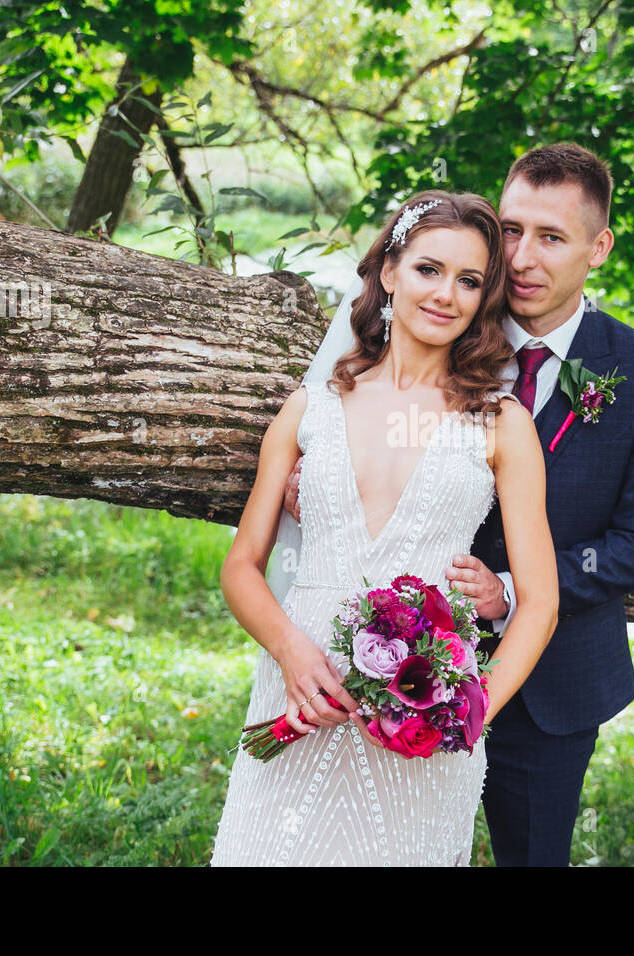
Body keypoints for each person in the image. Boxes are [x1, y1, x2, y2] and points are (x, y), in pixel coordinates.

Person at [281, 144, 634, 866]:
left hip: (551, 682)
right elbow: (351, 422)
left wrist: (508, 592)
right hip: (382, 657)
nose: (522, 257)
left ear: (599, 248)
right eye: (511, 229)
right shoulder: (444, 318)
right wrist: (323, 480)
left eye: (551, 238)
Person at [210, 190, 558, 866]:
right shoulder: (309, 409)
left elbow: (540, 603)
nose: (445, 295)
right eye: (429, 269)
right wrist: (289, 650)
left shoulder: (500, 422)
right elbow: (240, 566)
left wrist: (467, 707)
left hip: (422, 728)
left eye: (469, 281)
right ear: (389, 272)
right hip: (298, 701)